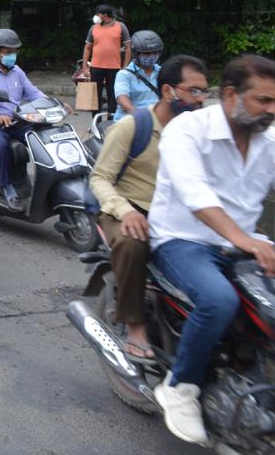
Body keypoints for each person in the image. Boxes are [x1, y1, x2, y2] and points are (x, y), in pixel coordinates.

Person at [148, 54, 275, 445]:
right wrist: (243, 239)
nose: (273, 111)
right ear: (232, 95)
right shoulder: (188, 130)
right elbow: (195, 194)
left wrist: (249, 241)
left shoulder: (269, 139)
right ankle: (180, 386)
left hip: (245, 244)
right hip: (183, 240)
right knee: (220, 300)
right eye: (264, 101)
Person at [88, 55, 208, 362]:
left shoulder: (199, 131)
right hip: (128, 209)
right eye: (193, 91)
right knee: (132, 244)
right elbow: (100, 178)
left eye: (204, 91)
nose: (201, 99)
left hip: (177, 215)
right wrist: (125, 210)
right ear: (168, 91)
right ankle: (135, 323)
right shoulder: (133, 126)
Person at [0, 29, 47, 210]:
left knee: (41, 136)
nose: (12, 55)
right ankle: (7, 188)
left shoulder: (17, 71)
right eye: (8, 51)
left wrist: (54, 103)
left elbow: (33, 93)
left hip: (15, 121)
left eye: (15, 51)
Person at [81, 4, 132, 118]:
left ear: (105, 15)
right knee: (95, 97)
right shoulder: (93, 28)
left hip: (114, 68)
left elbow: (128, 48)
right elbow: (87, 47)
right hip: (96, 67)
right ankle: (96, 122)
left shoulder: (121, 26)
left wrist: (125, 67)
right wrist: (85, 67)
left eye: (98, 14)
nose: (96, 17)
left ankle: (110, 120)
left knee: (113, 96)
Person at [113, 30, 163, 121]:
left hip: (157, 120)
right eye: (147, 53)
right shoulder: (124, 75)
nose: (152, 56)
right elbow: (122, 100)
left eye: (155, 53)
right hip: (129, 121)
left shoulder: (162, 71)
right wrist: (141, 116)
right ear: (136, 54)